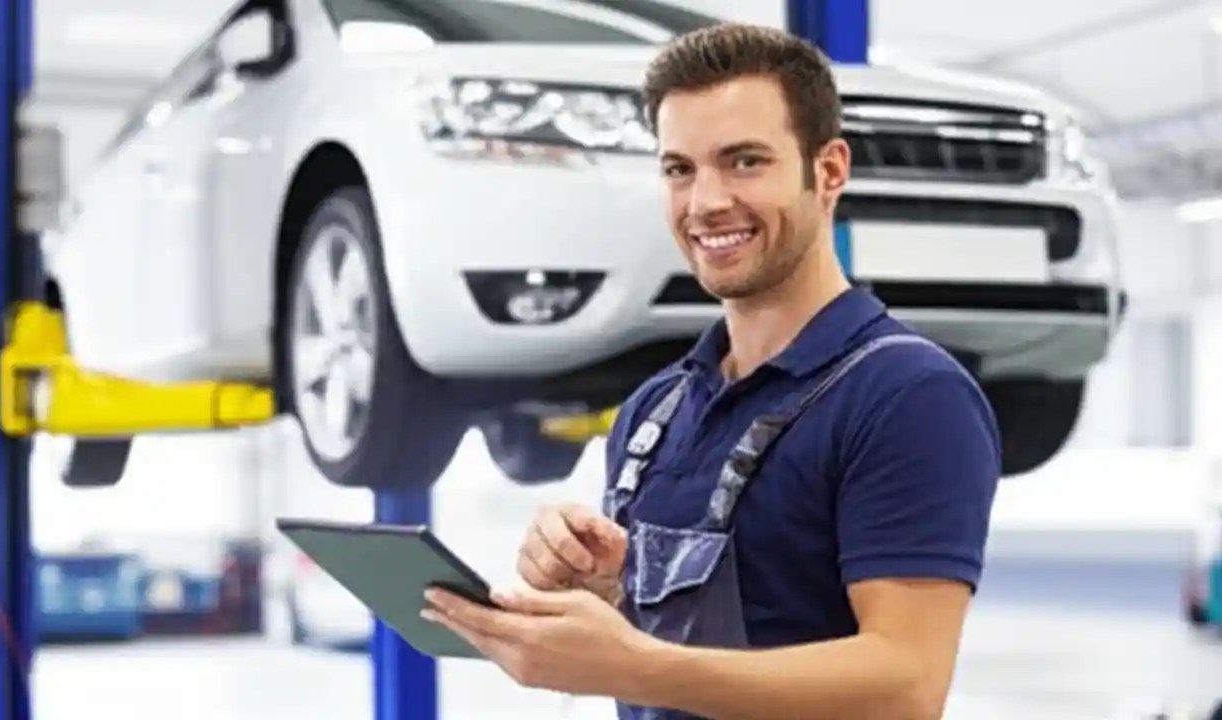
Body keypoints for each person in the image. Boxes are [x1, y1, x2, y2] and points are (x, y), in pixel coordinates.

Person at [421, 21, 1002, 720]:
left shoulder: (907, 395)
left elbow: (905, 686)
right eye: (679, 169)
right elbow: (698, 640)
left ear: (830, 170)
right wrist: (605, 594)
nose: (706, 203)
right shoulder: (653, 410)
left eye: (745, 161)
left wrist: (634, 665)